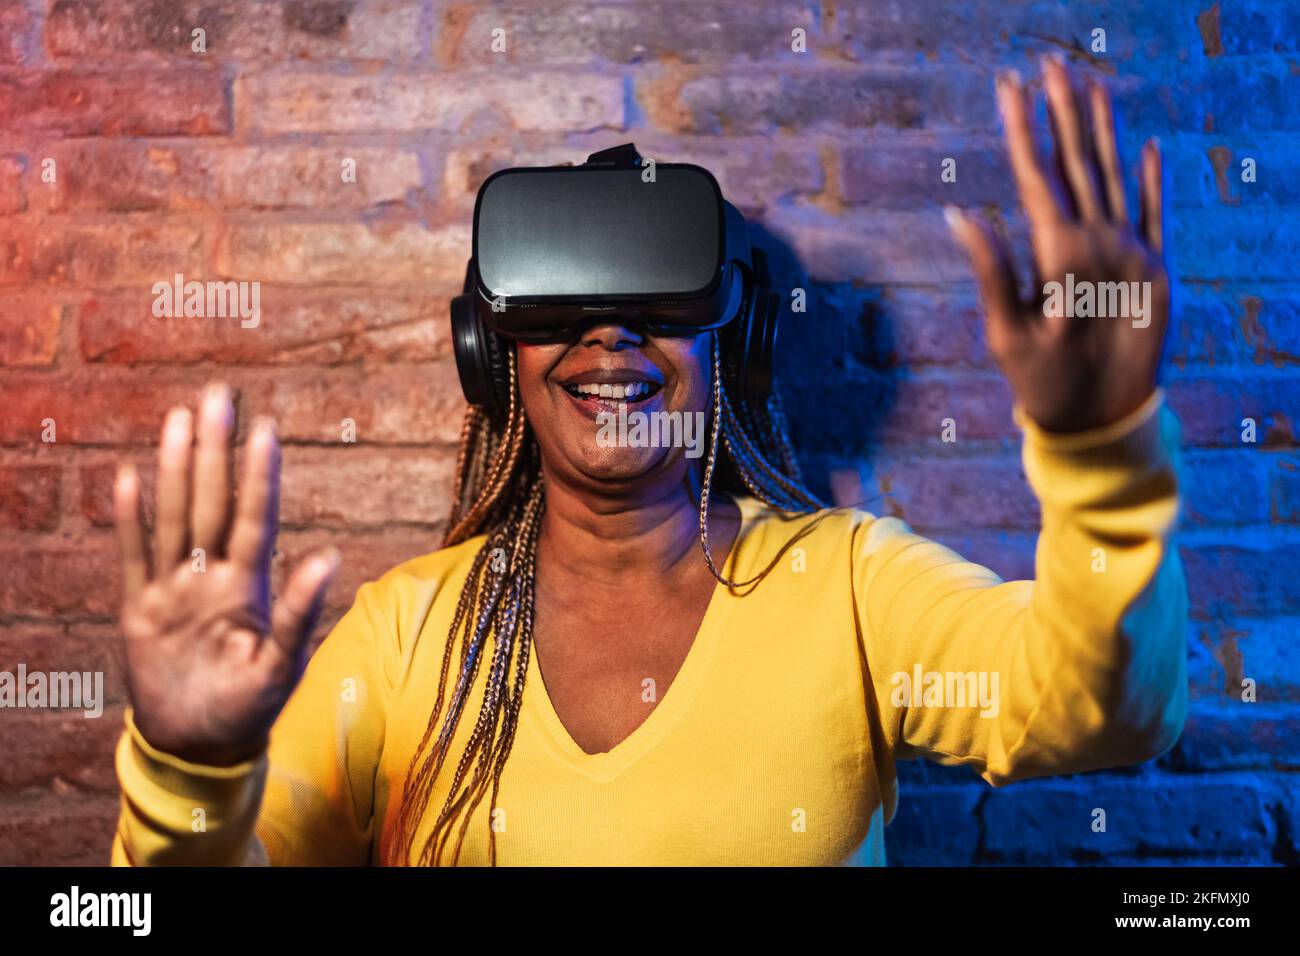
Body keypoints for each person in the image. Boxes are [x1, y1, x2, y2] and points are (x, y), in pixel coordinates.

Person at [109, 57, 1185, 866]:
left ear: (735, 346)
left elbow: (1104, 709)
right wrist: (185, 773)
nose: (610, 336)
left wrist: (1104, 453)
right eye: (562, 305)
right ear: (494, 356)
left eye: (656, 301)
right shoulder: (405, 634)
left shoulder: (850, 586)